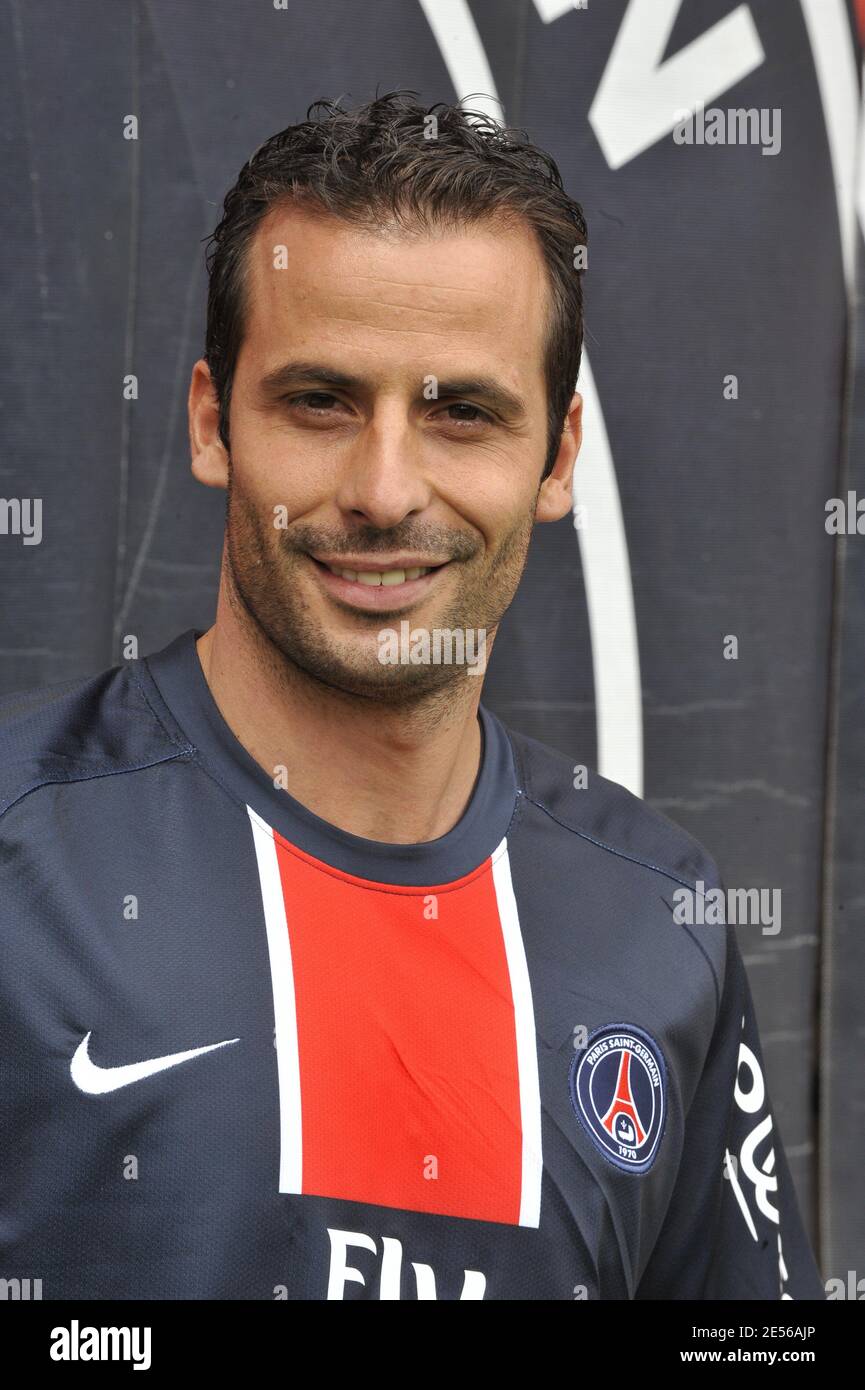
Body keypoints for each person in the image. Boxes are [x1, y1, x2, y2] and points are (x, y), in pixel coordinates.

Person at [0, 91, 824, 1300]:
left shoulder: (659, 922)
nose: (386, 489)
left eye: (459, 413)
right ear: (211, 421)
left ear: (555, 458)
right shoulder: (21, 862)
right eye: (321, 401)